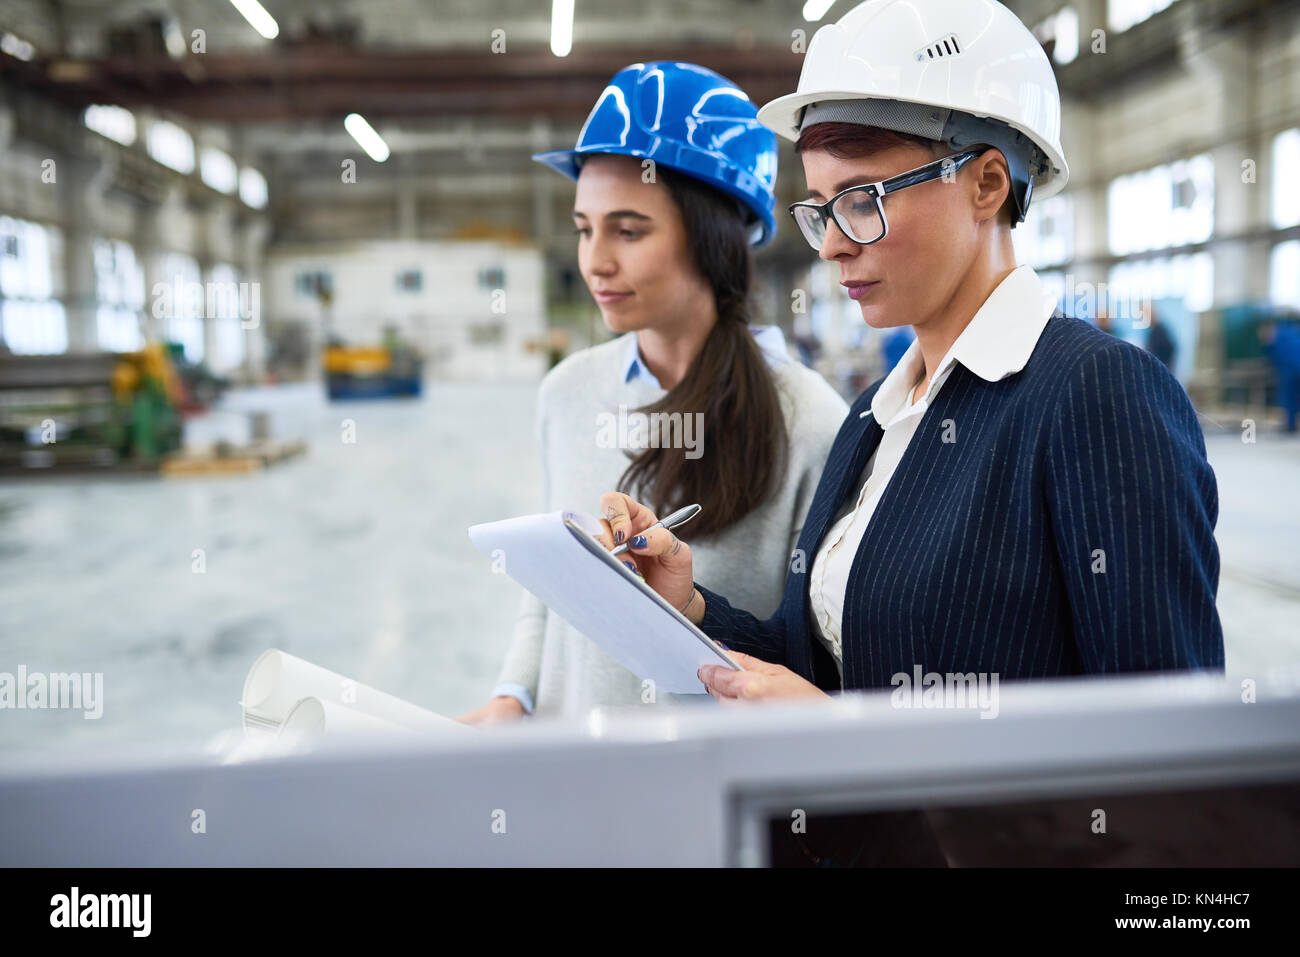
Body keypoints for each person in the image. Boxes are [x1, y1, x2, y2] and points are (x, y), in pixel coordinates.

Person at [597, 0, 1224, 704]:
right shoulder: (876, 415)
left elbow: (1166, 748)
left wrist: (840, 735)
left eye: (862, 200)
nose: (833, 241)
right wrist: (693, 606)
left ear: (986, 183)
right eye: (820, 208)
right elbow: (829, 659)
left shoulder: (1096, 395)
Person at [458, 62, 847, 723]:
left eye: (628, 230)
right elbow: (545, 593)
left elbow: (813, 651)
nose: (595, 261)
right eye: (585, 228)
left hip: (705, 792)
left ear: (715, 238)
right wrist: (513, 694)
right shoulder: (568, 392)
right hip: (566, 774)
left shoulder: (808, 420)